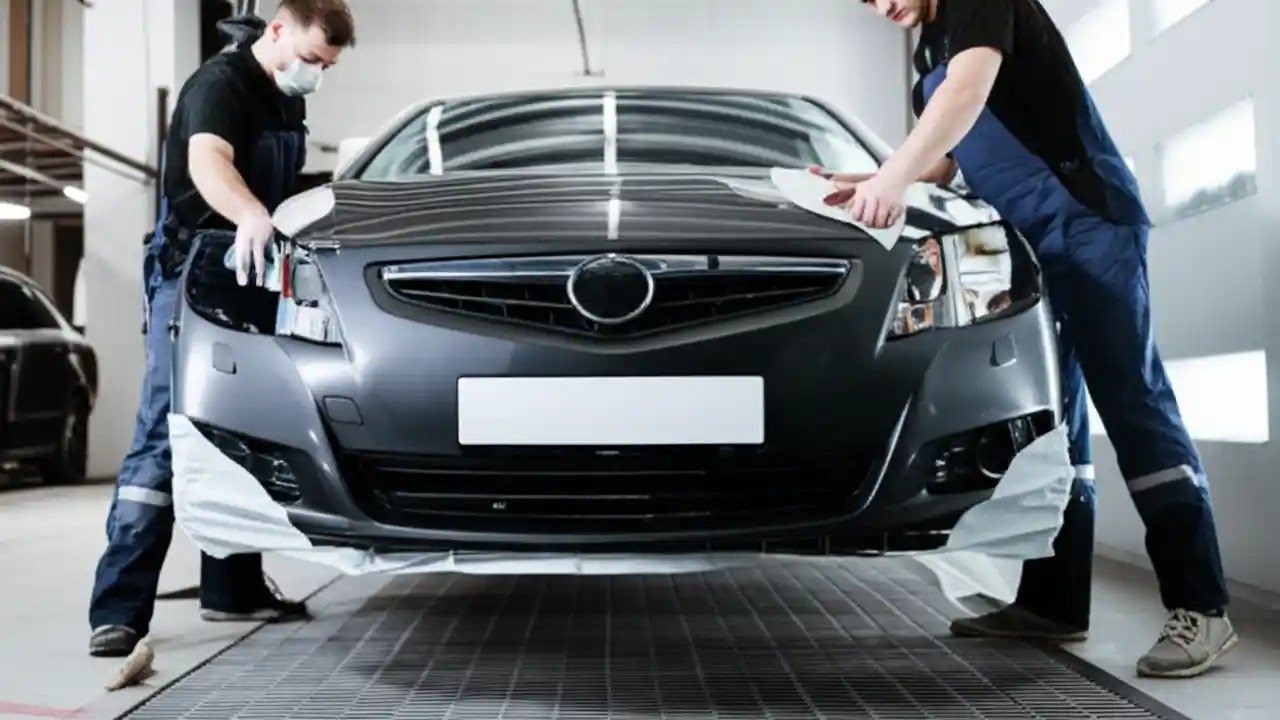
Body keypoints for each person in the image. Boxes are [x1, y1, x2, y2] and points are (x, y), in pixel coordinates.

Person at [814, 0, 1236, 678]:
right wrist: (860, 180)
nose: (879, 5)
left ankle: (1203, 607)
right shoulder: (926, 51)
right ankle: (1054, 604)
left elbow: (970, 89)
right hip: (1025, 245)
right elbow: (947, 160)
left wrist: (890, 178)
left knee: (1131, 403)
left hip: (1089, 225)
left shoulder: (979, 5)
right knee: (1049, 427)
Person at [88, 0, 356, 658]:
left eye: (326, 67)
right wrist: (250, 214)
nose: (315, 75)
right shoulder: (220, 85)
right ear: (277, 30)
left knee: (242, 428)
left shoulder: (285, 98)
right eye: (312, 59)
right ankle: (118, 607)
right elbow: (210, 163)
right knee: (163, 436)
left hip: (247, 274)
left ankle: (231, 588)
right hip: (192, 271)